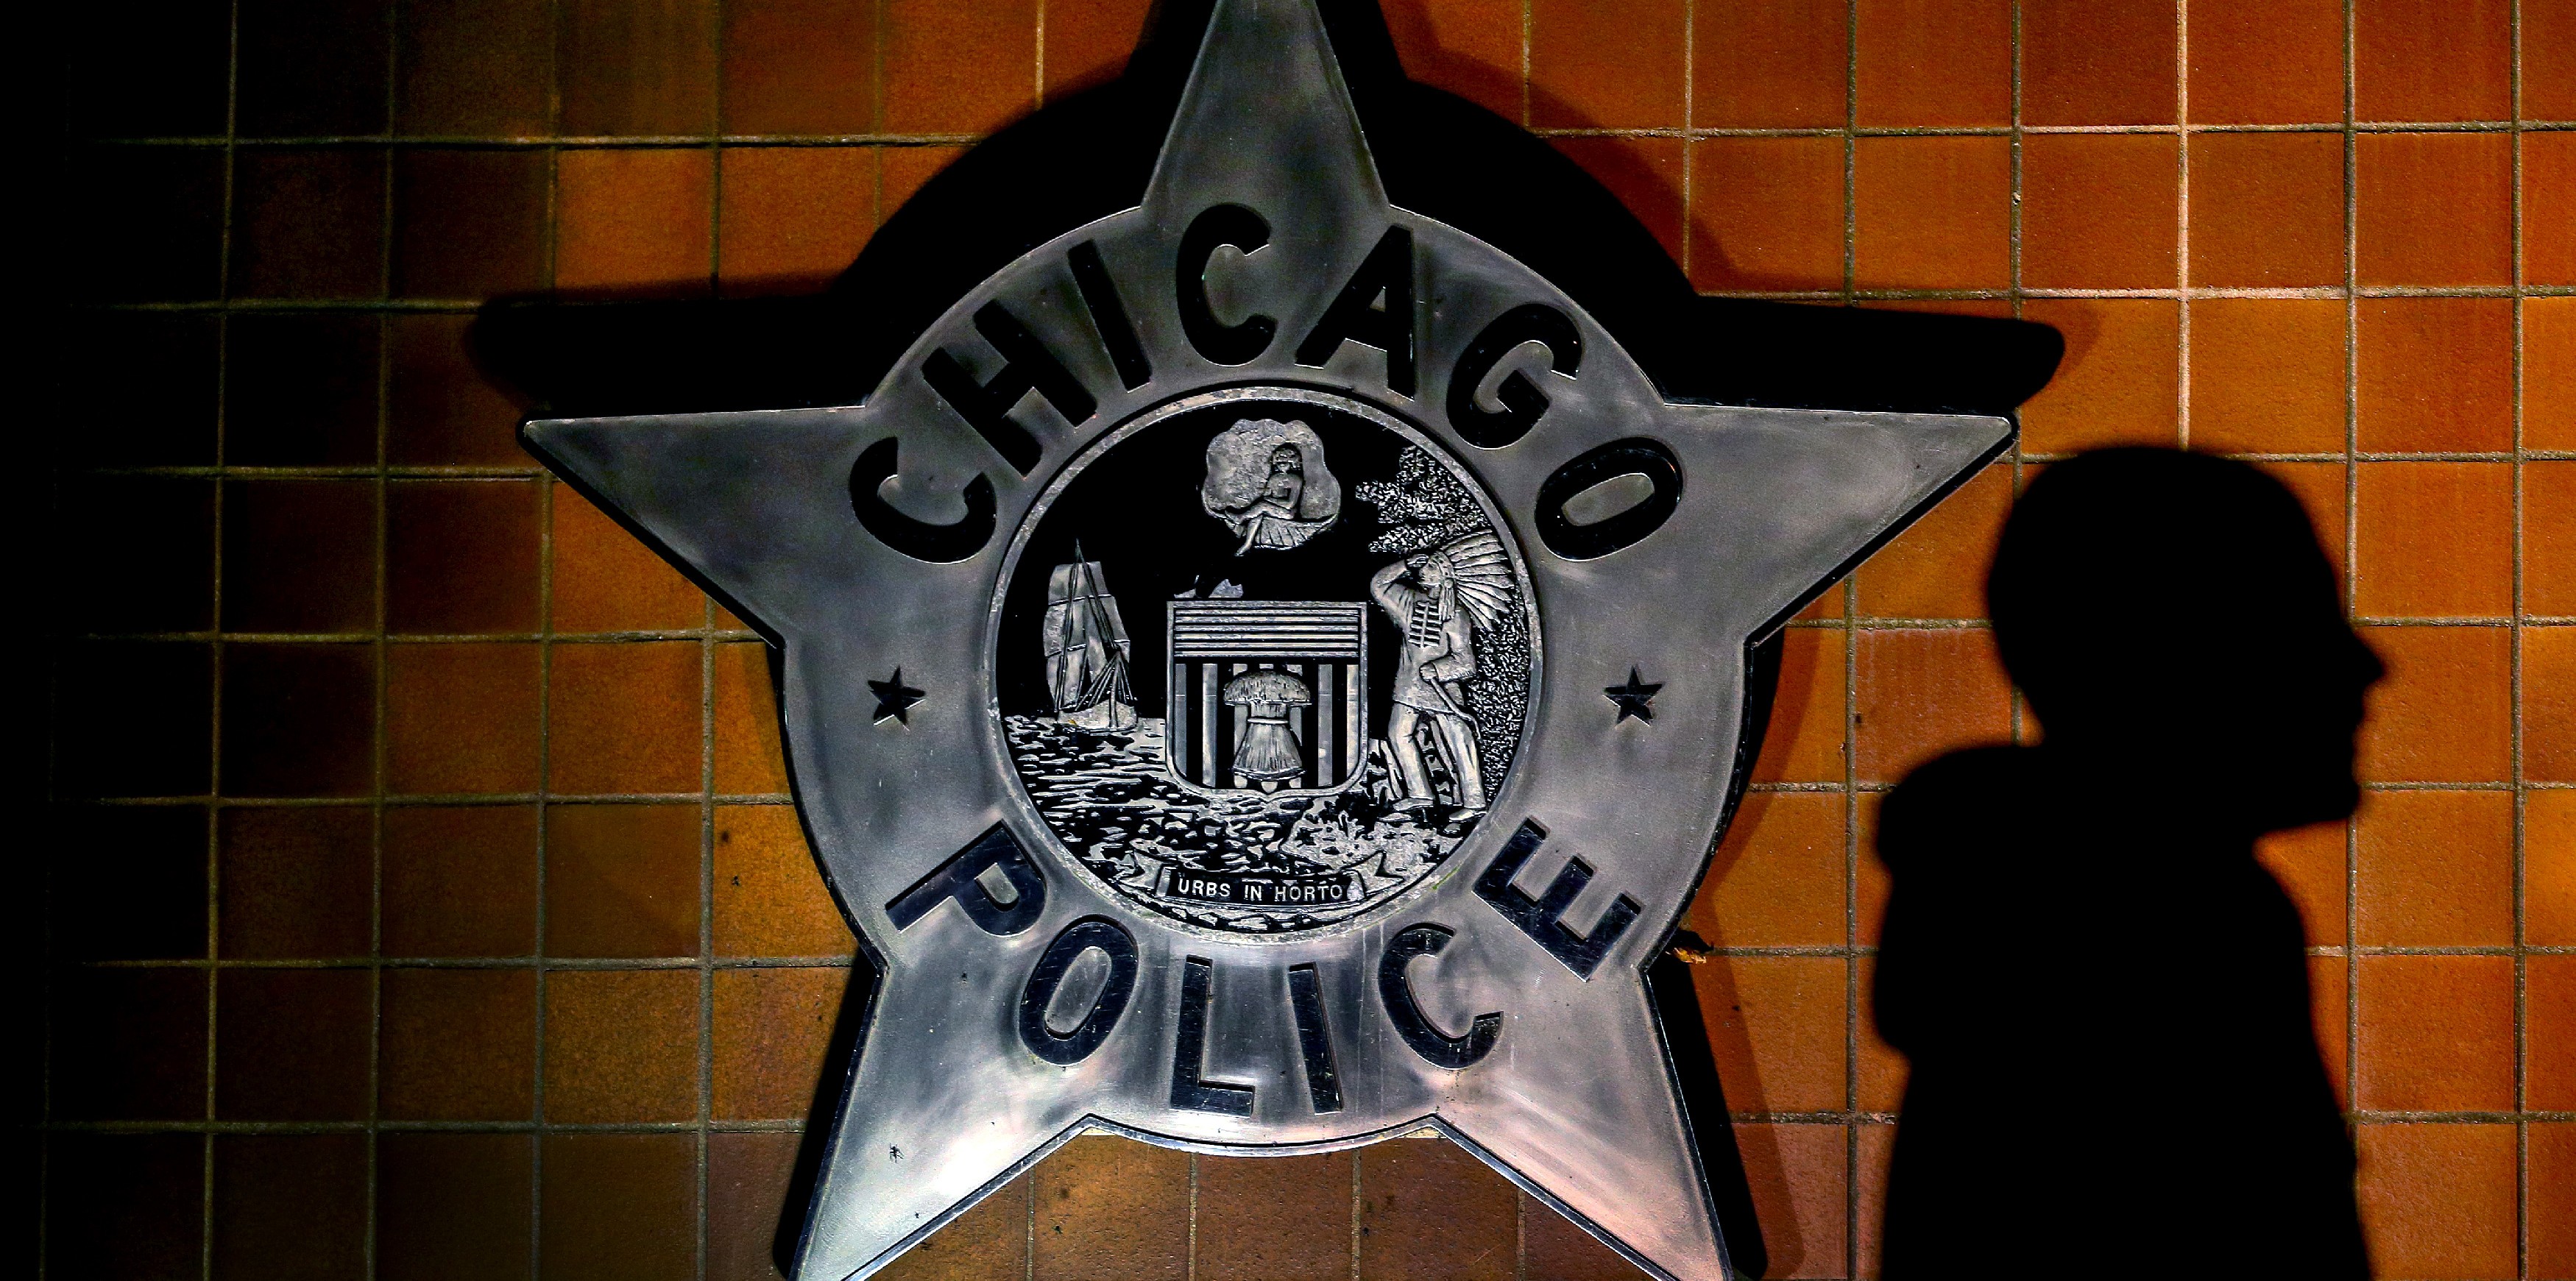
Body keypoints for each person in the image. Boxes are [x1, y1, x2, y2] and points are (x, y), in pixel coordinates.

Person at [1872, 450, 2378, 1277]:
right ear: (2177, 660)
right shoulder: (2188, 928)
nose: (2363, 665)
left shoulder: (2032, 928)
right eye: (2298, 619)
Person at [1369, 533, 1511, 813]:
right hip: (1409, 686)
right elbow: (1378, 585)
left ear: (1447, 576)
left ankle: (1474, 801)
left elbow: (1467, 662)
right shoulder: (1408, 600)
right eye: (1426, 565)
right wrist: (1404, 565)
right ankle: (1420, 793)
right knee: (1398, 735)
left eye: (1433, 566)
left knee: (1459, 739)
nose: (1424, 570)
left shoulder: (1456, 615)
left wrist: (1438, 668)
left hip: (1442, 689)